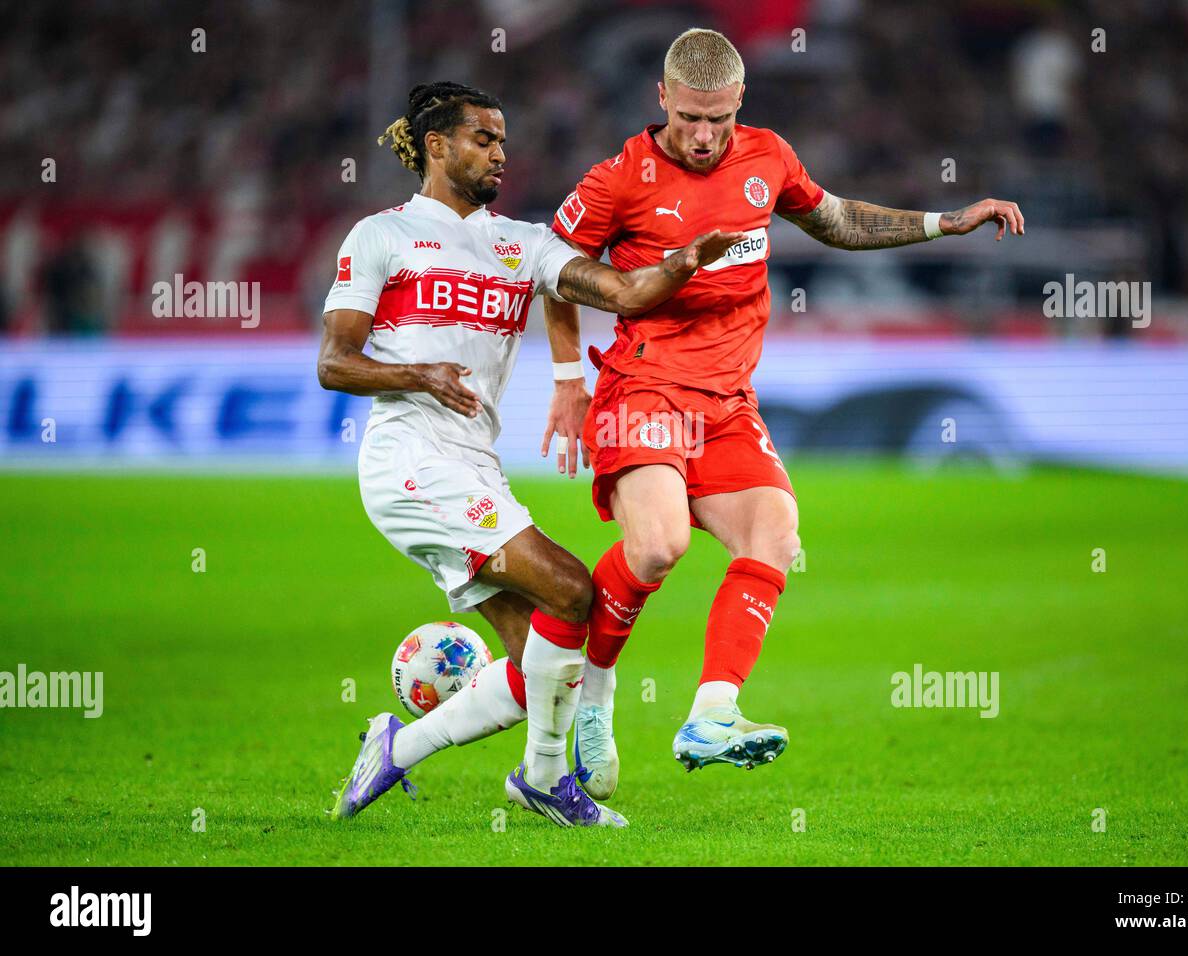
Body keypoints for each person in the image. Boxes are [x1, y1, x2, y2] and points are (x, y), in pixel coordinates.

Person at [549, 29, 1025, 799]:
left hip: (730, 402)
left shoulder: (767, 155)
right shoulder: (618, 179)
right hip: (645, 387)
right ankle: (595, 690)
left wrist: (945, 221)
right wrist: (569, 377)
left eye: (718, 120)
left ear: (740, 102)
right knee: (661, 546)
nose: (704, 138)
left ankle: (711, 713)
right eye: (690, 119)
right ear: (662, 98)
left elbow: (834, 219)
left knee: (776, 533)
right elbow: (553, 269)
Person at [319, 82, 741, 827]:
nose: (500, 154)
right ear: (438, 146)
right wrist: (416, 373)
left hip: (474, 463)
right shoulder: (381, 237)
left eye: (504, 141)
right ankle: (544, 783)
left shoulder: (523, 242)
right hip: (410, 457)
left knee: (540, 672)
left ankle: (397, 746)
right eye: (484, 138)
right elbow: (334, 362)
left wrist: (679, 265)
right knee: (573, 588)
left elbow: (621, 289)